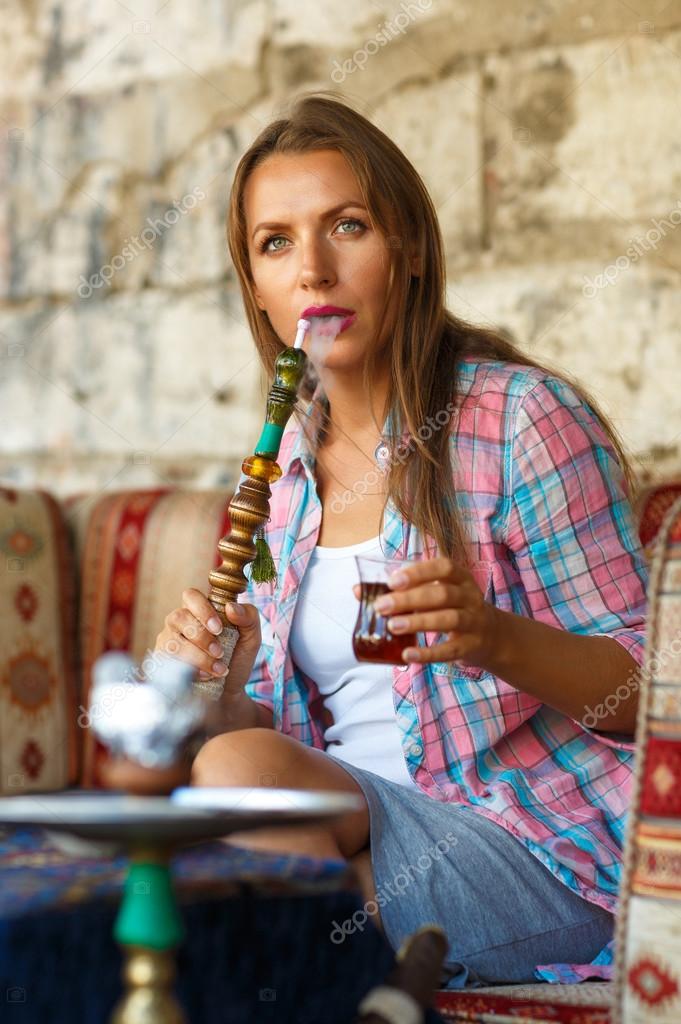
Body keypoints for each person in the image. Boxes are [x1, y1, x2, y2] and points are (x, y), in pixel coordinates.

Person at [155, 93, 648, 989]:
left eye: (346, 226)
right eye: (275, 243)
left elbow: (648, 697)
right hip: (348, 833)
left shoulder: (517, 420)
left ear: (410, 250)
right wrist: (215, 692)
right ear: (259, 294)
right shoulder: (278, 480)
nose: (312, 269)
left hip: (540, 848)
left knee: (234, 901)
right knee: (232, 789)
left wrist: (494, 639)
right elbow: (272, 738)